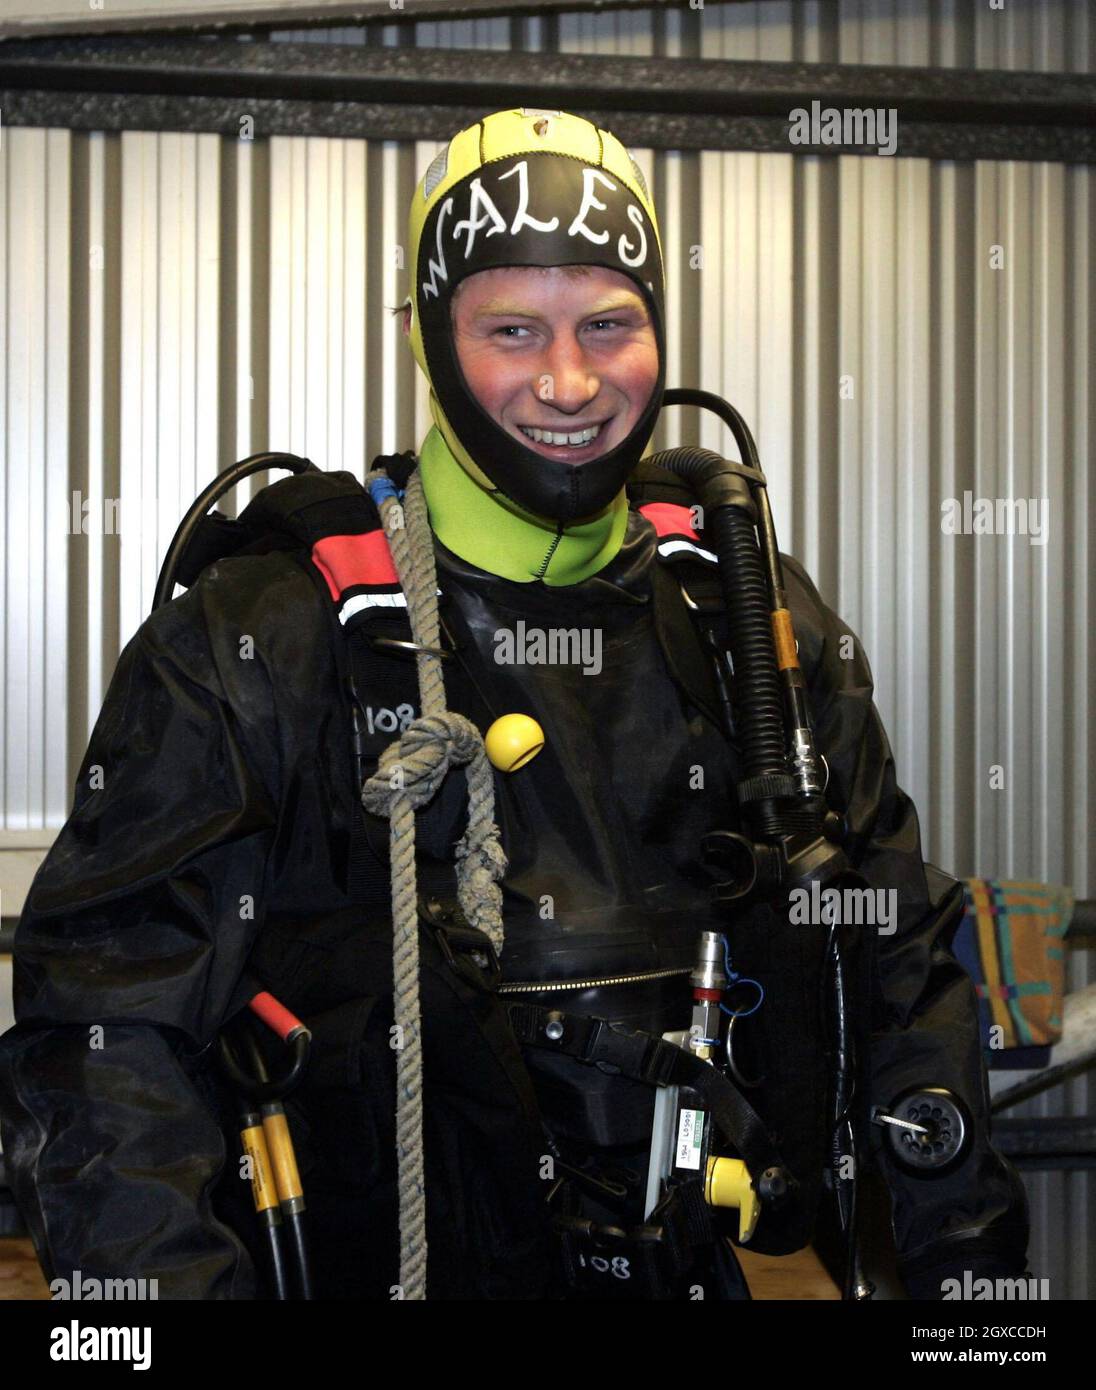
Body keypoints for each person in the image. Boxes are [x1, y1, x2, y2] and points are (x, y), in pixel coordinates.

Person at [0, 107, 1028, 1301]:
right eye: (510, 328)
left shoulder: (742, 617)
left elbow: (892, 948)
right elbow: (105, 1033)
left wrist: (973, 1283)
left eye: (608, 322)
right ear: (423, 340)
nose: (569, 380)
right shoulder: (265, 634)